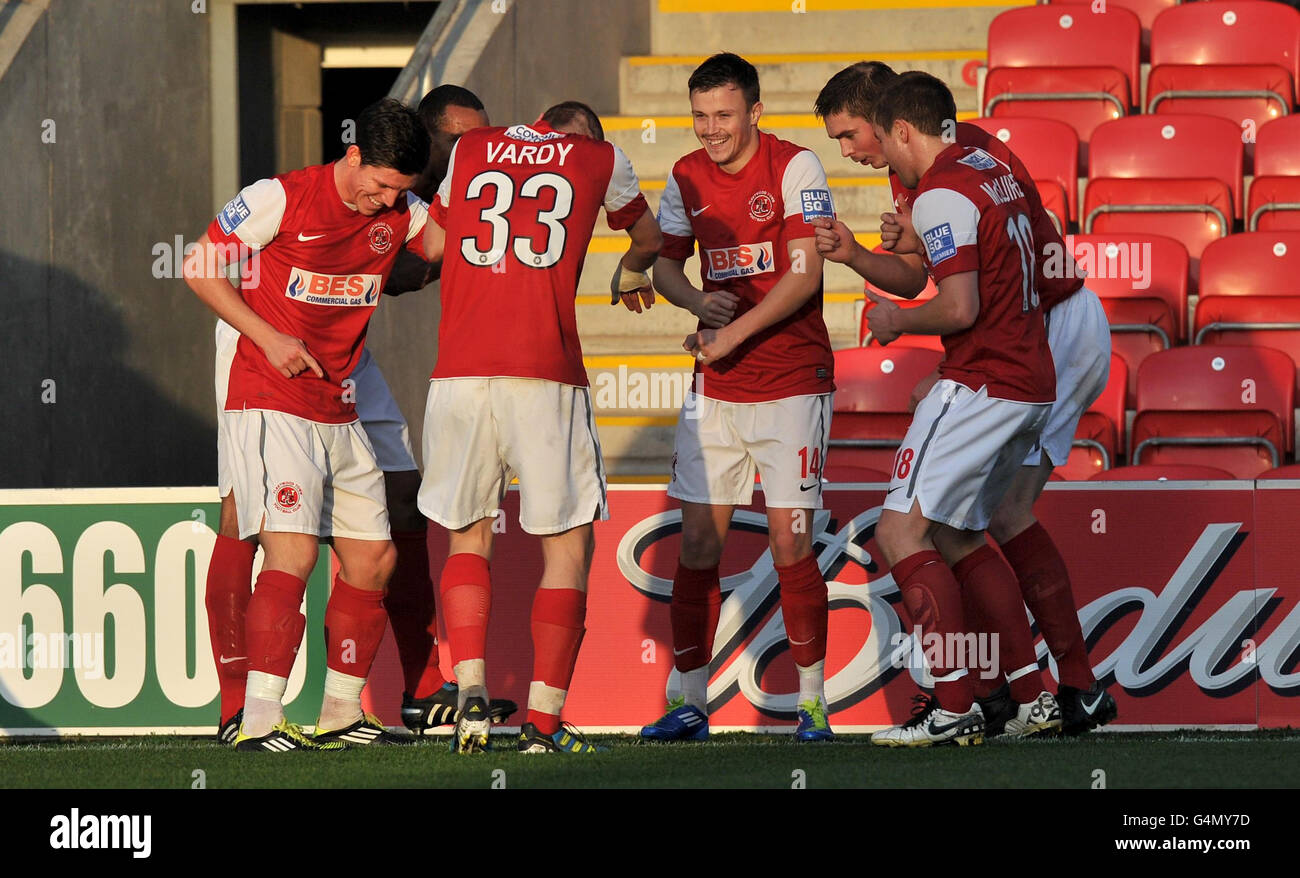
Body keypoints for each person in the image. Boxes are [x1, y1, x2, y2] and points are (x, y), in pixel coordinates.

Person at [203, 86, 516, 745]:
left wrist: (483, 171)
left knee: (372, 558)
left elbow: (447, 243)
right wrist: (267, 336)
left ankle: (341, 712)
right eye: (377, 187)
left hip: (339, 396)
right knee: (288, 550)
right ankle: (253, 720)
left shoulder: (399, 210)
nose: (385, 202)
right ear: (352, 155)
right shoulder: (280, 198)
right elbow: (200, 266)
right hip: (271, 390)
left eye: (396, 191)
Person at [813, 61, 1117, 736]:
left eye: (850, 135)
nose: (850, 152)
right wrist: (865, 254)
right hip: (1016, 342)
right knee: (961, 524)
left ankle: (1033, 691)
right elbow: (930, 272)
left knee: (977, 519)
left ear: (890, 121)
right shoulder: (926, 166)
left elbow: (983, 287)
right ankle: (1016, 691)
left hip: (1049, 327)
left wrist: (965, 376)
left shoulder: (964, 159)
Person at [418, 100, 662, 754]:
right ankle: (543, 726)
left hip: (460, 373)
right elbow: (650, 237)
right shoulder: (602, 159)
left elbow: (434, 245)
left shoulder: (473, 150)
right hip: (544, 373)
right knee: (567, 549)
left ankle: (468, 693)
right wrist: (630, 268)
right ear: (587, 136)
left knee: (468, 539)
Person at [843, 71, 1060, 747]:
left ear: (903, 130)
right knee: (961, 533)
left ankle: (953, 705)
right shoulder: (989, 169)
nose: (882, 154)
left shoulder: (941, 189)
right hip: (1030, 378)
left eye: (881, 139)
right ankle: (1033, 697)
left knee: (898, 533)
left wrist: (892, 320)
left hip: (981, 380)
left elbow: (961, 306)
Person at [639, 52, 837, 744]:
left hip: (790, 381)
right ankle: (689, 701)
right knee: (698, 541)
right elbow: (665, 264)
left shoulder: (796, 166)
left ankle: (812, 702)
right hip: (716, 389)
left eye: (723, 115)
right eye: (700, 116)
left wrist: (730, 336)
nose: (710, 130)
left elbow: (804, 277)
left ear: (755, 109)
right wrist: (696, 299)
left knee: (790, 540)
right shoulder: (685, 175)